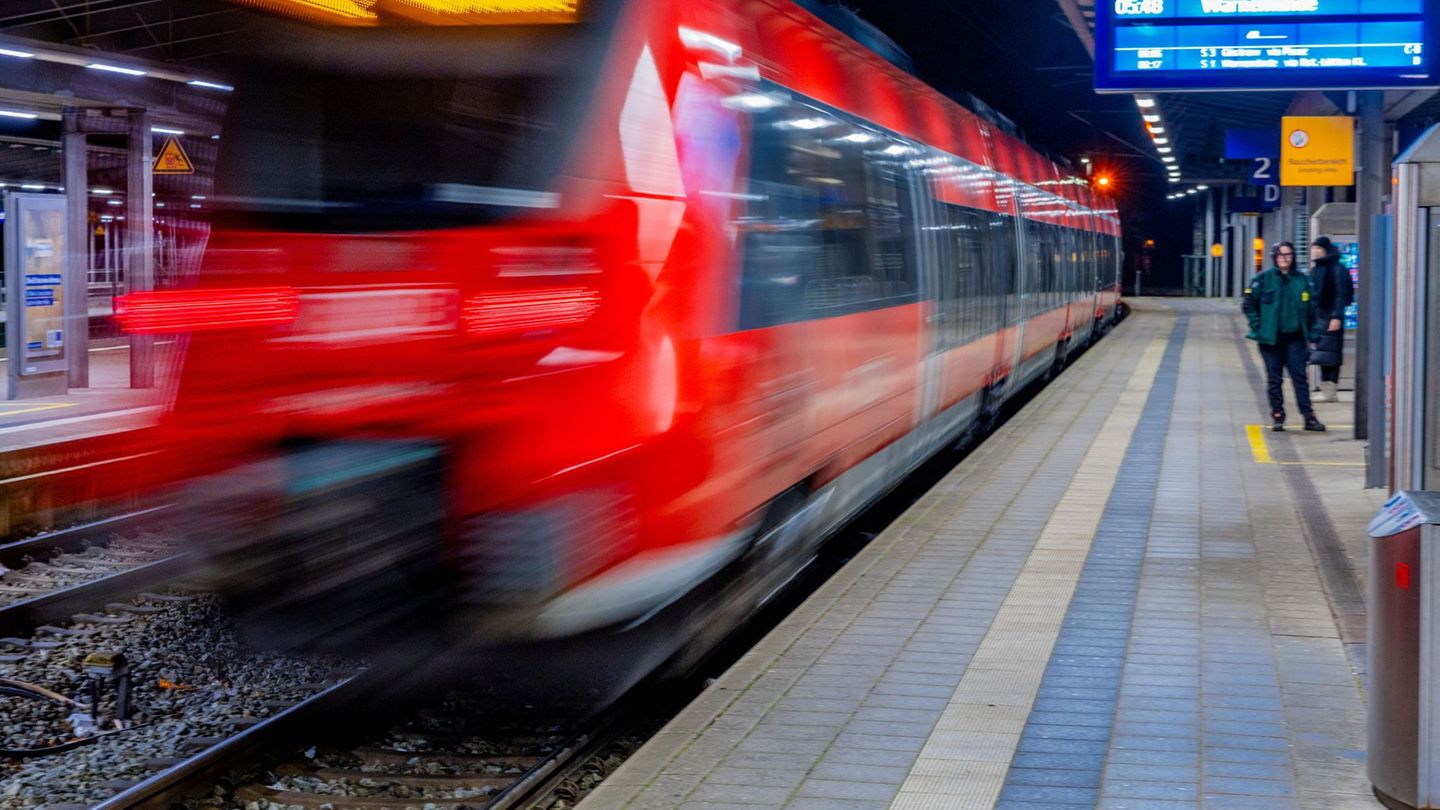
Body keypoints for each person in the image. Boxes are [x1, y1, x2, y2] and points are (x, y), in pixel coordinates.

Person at [1244, 242, 1326, 432]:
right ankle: (1278, 414)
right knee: (1274, 379)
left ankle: (1308, 416)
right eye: (1280, 255)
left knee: (1299, 377)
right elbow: (1249, 305)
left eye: (1288, 254)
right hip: (1270, 339)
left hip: (1295, 338)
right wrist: (1258, 326)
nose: (1285, 258)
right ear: (1274, 257)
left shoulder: (1302, 280)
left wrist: (1314, 334)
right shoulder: (1263, 280)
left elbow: (1312, 309)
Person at [1308, 236, 1354, 402]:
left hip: (1331, 317)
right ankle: (1326, 389)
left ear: (1325, 250)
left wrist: (1336, 316)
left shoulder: (1336, 269)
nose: (1315, 252)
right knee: (1321, 354)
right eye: (1314, 249)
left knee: (1331, 354)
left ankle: (1330, 391)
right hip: (1319, 317)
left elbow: (1341, 294)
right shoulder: (1317, 269)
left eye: (1318, 249)